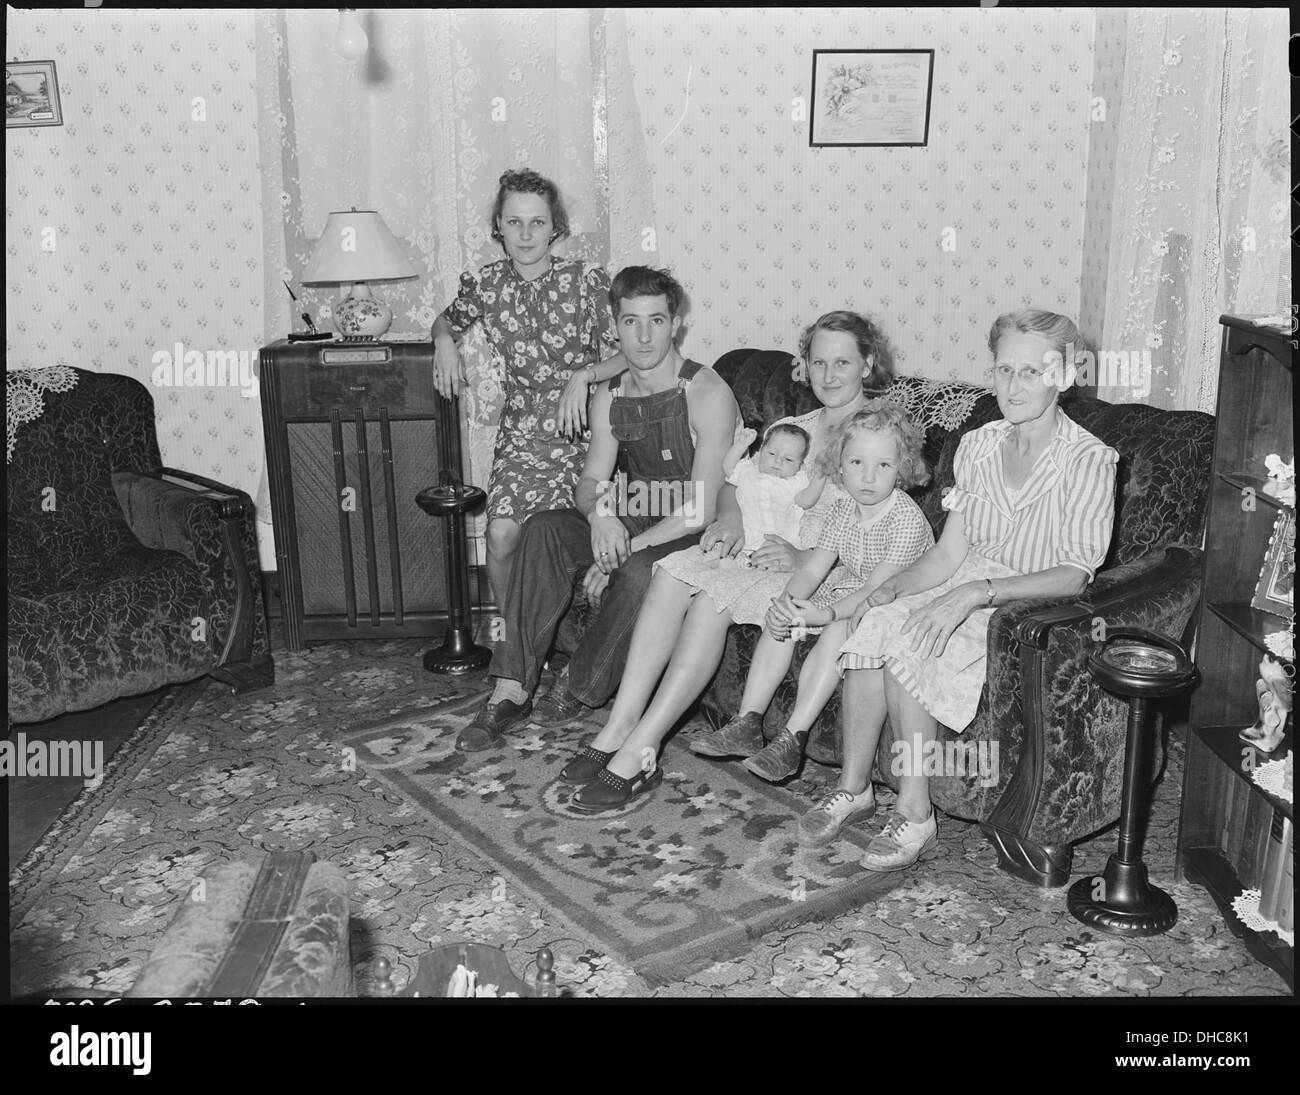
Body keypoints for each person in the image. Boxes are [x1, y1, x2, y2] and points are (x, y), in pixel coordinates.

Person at [558, 311, 895, 812]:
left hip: (833, 571)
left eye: (842, 362)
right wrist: (732, 518)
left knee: (708, 602)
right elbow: (739, 483)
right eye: (818, 362)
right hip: (763, 553)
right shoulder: (794, 430)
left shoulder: (881, 434)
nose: (828, 375)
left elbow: (888, 529)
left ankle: (640, 749)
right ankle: (620, 726)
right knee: (672, 572)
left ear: (867, 364)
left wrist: (803, 554)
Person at [824, 308, 1119, 871]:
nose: (1014, 386)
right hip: (971, 577)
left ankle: (915, 816)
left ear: (1066, 374)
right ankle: (855, 786)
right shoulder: (978, 445)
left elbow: (1075, 574)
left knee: (913, 641)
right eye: (1004, 370)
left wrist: (973, 594)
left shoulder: (1090, 460)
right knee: (875, 624)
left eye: (1033, 372)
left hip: (1029, 603)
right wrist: (891, 588)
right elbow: (947, 553)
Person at [456, 266, 740, 756]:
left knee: (635, 571)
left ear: (676, 325)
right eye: (631, 322)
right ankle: (512, 688)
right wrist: (599, 516)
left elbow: (702, 507)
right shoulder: (609, 393)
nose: (645, 336)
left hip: (690, 530)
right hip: (631, 513)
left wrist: (625, 546)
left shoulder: (707, 391)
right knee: (543, 528)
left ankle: (578, 689)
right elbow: (590, 481)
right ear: (615, 326)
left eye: (656, 320)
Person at [707, 402, 933, 789]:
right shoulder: (844, 509)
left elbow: (873, 591)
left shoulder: (906, 520)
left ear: (903, 468)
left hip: (894, 597)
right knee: (783, 613)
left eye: (884, 465)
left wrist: (824, 614)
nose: (868, 476)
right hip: (853, 585)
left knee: (836, 632)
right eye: (857, 462)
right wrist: (787, 604)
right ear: (838, 465)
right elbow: (813, 568)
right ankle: (747, 720)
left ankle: (791, 738)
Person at [431, 168, 625, 607]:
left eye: (537, 222)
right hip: (520, 436)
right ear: (498, 224)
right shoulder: (485, 284)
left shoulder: (586, 279)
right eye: (514, 221)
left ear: (555, 226)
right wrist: (444, 339)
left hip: (582, 435)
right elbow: (447, 319)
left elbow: (628, 353)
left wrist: (585, 375)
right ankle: (509, 639)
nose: (525, 233)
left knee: (548, 538)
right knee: (499, 535)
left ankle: (553, 635)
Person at [722, 423, 827, 553]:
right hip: (745, 542)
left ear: (800, 465)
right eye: (771, 453)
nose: (778, 461)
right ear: (760, 452)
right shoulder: (748, 472)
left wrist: (820, 477)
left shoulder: (795, 481)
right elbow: (728, 467)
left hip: (780, 546)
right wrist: (741, 445)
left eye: (788, 459)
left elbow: (806, 501)